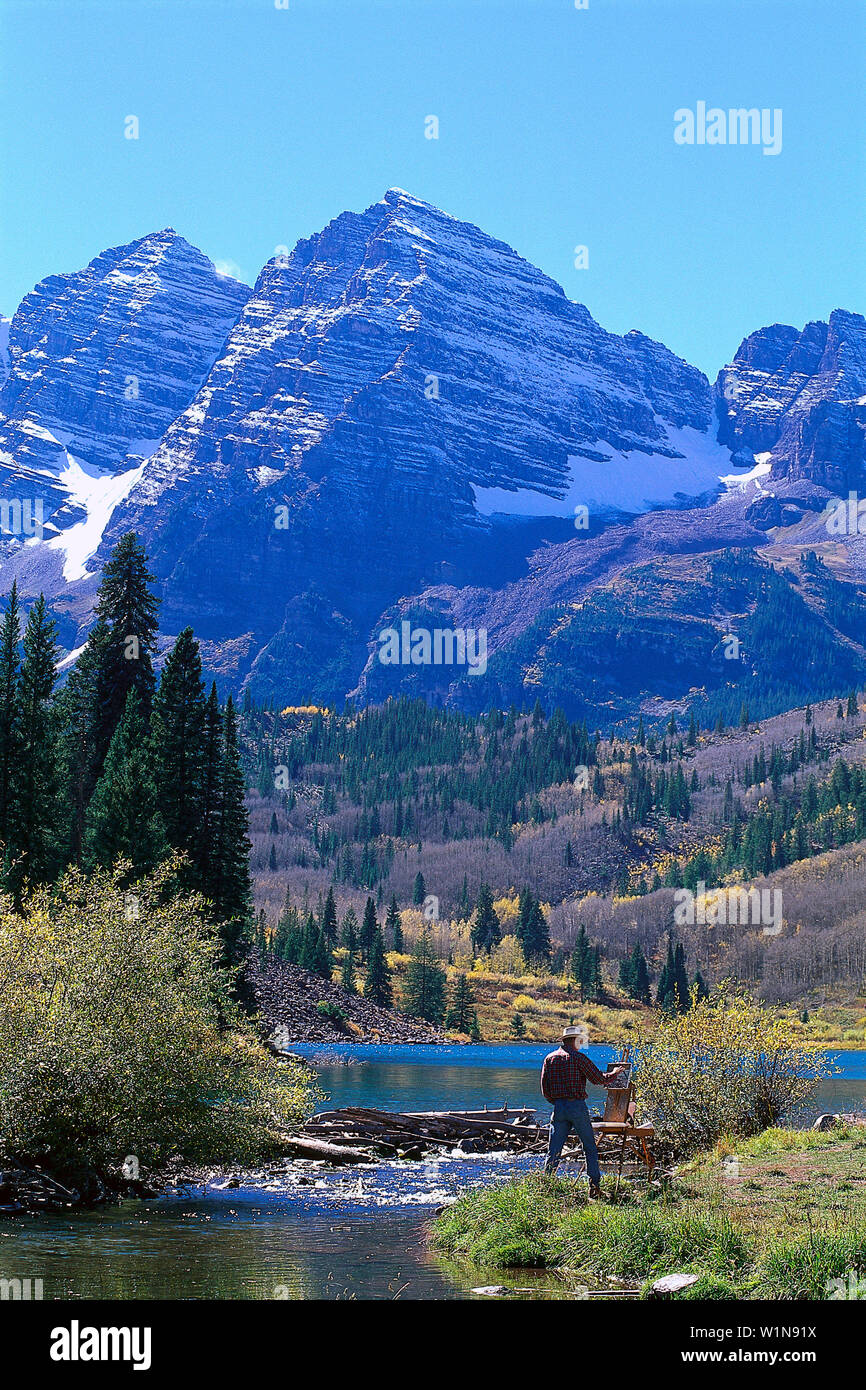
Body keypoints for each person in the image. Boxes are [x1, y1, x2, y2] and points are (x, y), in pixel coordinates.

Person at [541, 1026, 627, 1196]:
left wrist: (558, 1102)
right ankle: (594, 1187)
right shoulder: (578, 1058)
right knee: (589, 1147)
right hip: (577, 1107)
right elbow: (598, 1079)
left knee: (554, 1150)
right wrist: (615, 1073)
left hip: (558, 1108)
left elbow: (545, 1089)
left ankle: (546, 1188)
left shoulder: (549, 1059)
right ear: (575, 1041)